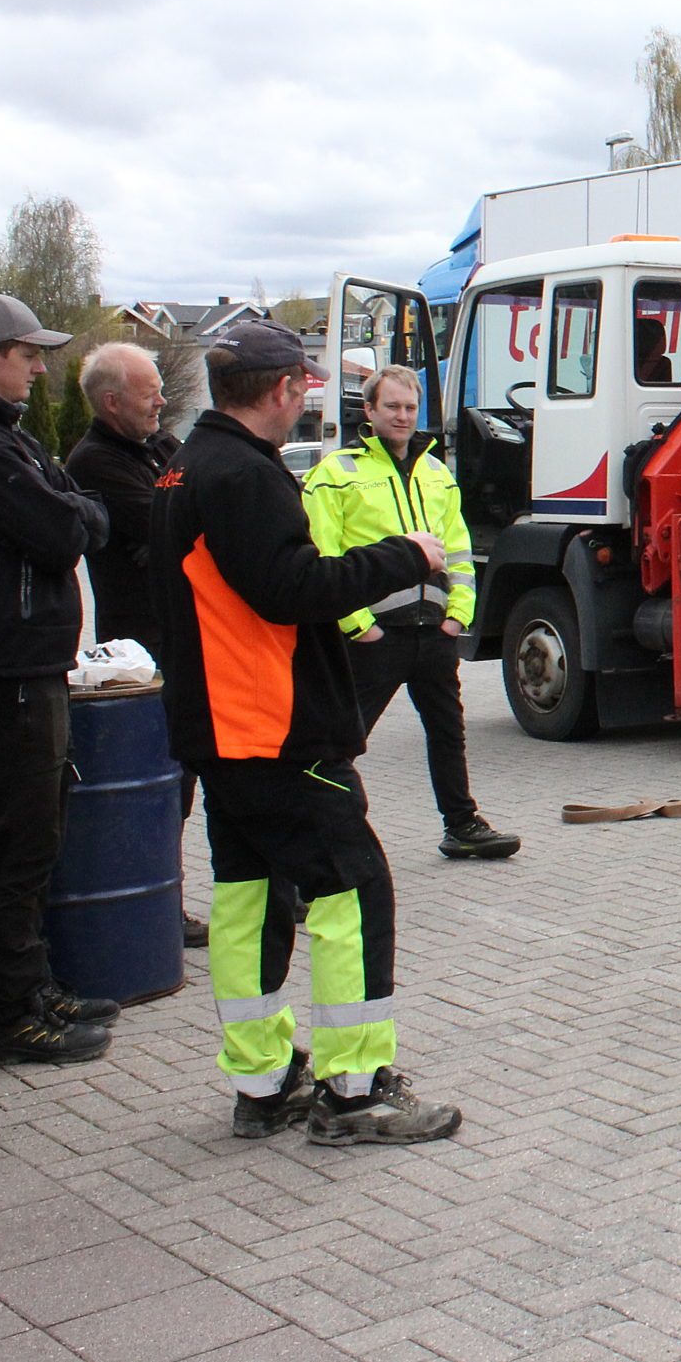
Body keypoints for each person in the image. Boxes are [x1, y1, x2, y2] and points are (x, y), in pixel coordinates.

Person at [151, 320, 464, 1145]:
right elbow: (291, 587)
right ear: (285, 390)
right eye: (304, 387)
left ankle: (262, 1083)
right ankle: (353, 1092)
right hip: (273, 728)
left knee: (248, 898)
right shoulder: (243, 475)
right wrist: (404, 556)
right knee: (351, 890)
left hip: (223, 730)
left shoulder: (186, 466)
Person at [0, 294, 119, 1066]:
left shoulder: (8, 436)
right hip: (4, 669)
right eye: (29, 355)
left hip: (30, 663)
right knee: (20, 844)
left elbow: (86, 512)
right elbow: (66, 527)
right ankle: (7, 1017)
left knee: (38, 837)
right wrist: (72, 513)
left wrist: (73, 512)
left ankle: (30, 987)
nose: (40, 370)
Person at [303, 366, 519, 861]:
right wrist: (358, 626)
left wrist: (458, 615)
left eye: (410, 407)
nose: (402, 416)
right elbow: (323, 554)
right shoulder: (336, 473)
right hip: (374, 637)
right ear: (369, 410)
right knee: (340, 742)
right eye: (392, 407)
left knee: (448, 734)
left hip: (434, 633)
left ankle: (462, 825)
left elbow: (458, 548)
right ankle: (312, 845)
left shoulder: (436, 472)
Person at [66, 340, 208, 947]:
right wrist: (173, 531)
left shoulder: (160, 445)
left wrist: (177, 529)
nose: (162, 402)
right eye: (150, 393)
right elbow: (169, 522)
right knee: (164, 783)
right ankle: (159, 902)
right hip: (143, 650)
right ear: (111, 401)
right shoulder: (95, 461)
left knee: (204, 771)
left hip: (188, 634)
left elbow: (199, 507)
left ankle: (262, 888)